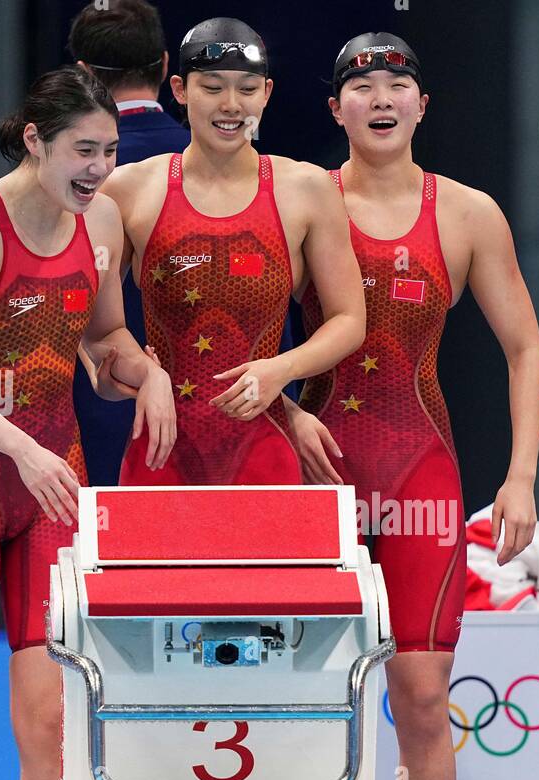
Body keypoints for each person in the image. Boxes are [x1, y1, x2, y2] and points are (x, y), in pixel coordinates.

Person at [289, 35, 539, 780]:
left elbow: (527, 349)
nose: (381, 99)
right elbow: (239, 342)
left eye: (397, 85)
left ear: (422, 105)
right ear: (335, 109)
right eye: (361, 88)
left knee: (424, 699)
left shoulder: (469, 214)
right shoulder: (301, 201)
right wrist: (285, 413)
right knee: (303, 697)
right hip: (316, 475)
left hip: (419, 475)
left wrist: (521, 476)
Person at [0, 67, 175, 780]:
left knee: (52, 724)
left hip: (55, 491)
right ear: (35, 139)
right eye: (83, 150)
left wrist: (146, 371)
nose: (98, 170)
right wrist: (23, 449)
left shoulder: (102, 224)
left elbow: (105, 338)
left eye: (111, 152)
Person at [98, 17, 365, 486]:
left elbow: (349, 320)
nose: (230, 105)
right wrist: (141, 374)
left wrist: (283, 371)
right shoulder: (129, 189)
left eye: (246, 89)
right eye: (213, 87)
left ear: (266, 93)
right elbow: (98, 326)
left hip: (265, 448)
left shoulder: (306, 189)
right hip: (161, 449)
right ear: (179, 90)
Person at [67, 0, 191, 487]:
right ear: (164, 66)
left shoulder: (64, 177)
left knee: (107, 560)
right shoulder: (239, 170)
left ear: (82, 74)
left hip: (99, 415)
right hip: (233, 407)